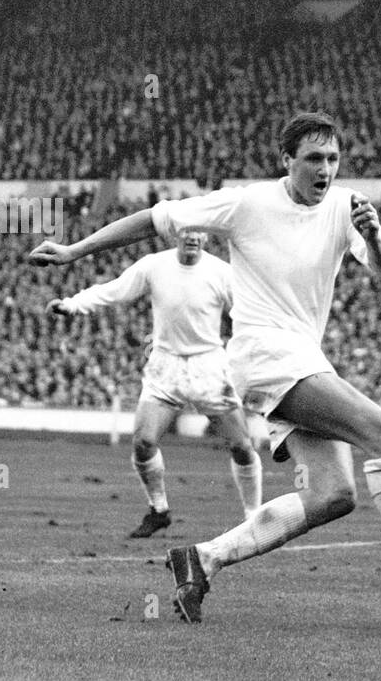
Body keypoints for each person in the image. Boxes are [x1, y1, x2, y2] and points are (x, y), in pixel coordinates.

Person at [29, 112, 381, 622]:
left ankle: (201, 559)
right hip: (264, 355)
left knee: (333, 495)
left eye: (332, 159)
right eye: (313, 159)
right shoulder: (248, 202)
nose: (325, 169)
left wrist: (374, 234)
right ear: (287, 161)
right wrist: (75, 251)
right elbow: (155, 217)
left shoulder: (347, 206)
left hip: (301, 357)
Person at [47, 226, 262, 539]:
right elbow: (114, 290)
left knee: (242, 446)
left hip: (209, 366)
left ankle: (254, 517)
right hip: (165, 365)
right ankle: (159, 510)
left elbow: (249, 316)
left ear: (205, 238)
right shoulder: (153, 266)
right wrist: (73, 304)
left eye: (197, 233)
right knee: (143, 442)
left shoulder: (222, 273)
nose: (191, 237)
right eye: (185, 231)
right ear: (174, 235)